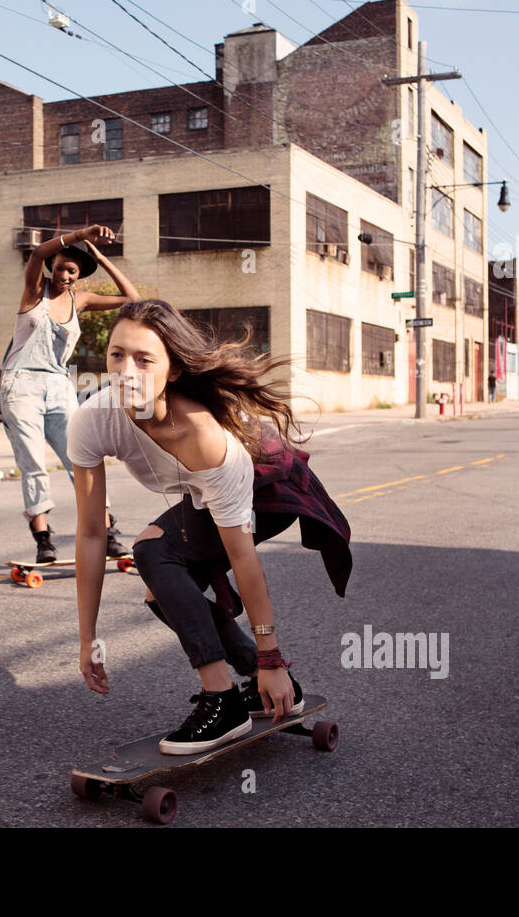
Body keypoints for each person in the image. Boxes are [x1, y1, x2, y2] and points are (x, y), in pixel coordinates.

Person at [67, 300, 352, 755]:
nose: (126, 370)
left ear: (174, 370)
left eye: (144, 359)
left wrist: (272, 655)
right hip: (205, 493)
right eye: (116, 354)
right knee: (164, 591)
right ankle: (269, 686)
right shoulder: (92, 421)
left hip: (268, 487)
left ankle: (224, 701)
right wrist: (88, 638)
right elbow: (90, 533)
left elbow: (243, 558)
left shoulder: (205, 435)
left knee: (153, 552)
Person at [0, 223, 140, 564]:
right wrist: (79, 235)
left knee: (83, 458)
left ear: (79, 275)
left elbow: (133, 300)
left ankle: (107, 531)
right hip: (21, 385)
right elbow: (36, 253)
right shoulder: (35, 291)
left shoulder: (82, 301)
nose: (64, 274)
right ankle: (43, 540)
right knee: (33, 463)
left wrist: (100, 256)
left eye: (72, 270)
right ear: (53, 267)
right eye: (60, 267)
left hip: (59, 384)